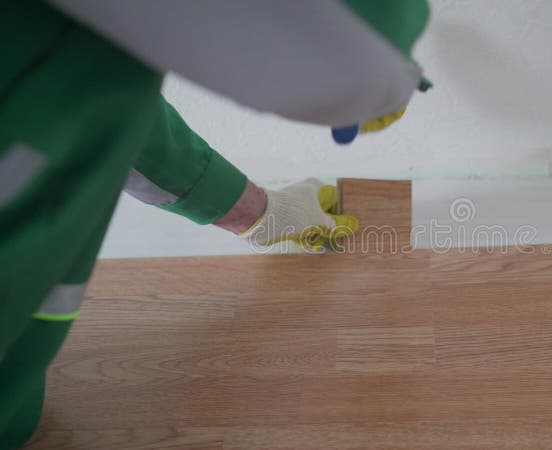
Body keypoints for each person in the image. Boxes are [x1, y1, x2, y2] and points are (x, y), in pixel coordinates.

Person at [0, 1, 430, 447]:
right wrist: (390, 72)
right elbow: (353, 50)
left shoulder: (48, 45)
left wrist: (261, 215)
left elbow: (96, 101)